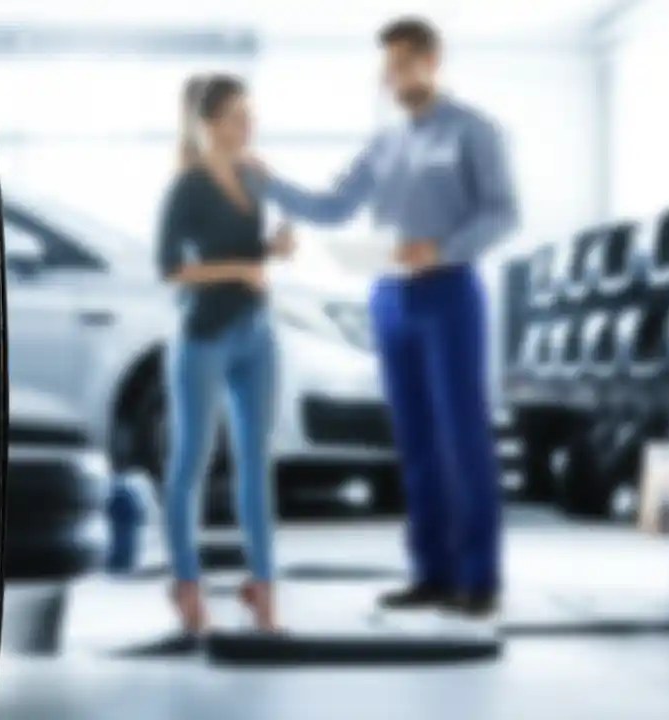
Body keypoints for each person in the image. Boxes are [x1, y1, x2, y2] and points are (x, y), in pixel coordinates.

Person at [254, 17, 519, 617]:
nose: (392, 78)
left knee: (463, 438)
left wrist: (443, 248)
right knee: (417, 441)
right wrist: (271, 185)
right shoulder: (385, 142)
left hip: (449, 292)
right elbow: (333, 205)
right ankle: (431, 573)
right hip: (391, 298)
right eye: (387, 68)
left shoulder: (473, 132)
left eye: (402, 64)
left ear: (431, 60)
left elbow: (502, 213)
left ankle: (478, 579)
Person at [158, 74, 295, 634]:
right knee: (190, 461)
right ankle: (187, 586)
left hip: (256, 334)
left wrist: (273, 248)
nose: (249, 127)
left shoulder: (253, 176)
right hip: (204, 336)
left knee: (255, 465)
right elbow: (173, 267)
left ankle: (262, 591)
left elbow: (250, 251)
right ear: (211, 124)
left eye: (251, 117)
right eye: (239, 117)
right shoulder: (188, 186)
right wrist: (241, 268)